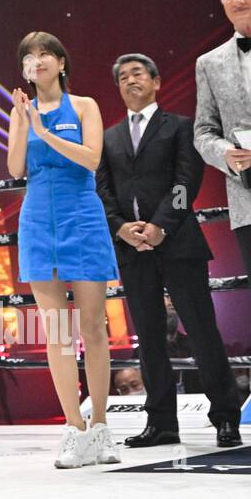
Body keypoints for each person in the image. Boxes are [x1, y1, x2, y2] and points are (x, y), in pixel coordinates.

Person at [96, 53, 242, 449]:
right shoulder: (108, 137)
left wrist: (161, 225)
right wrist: (122, 228)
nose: (130, 81)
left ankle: (225, 418)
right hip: (132, 248)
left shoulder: (180, 127)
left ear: (156, 81)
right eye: (122, 76)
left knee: (201, 330)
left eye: (137, 73)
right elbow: (103, 190)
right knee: (148, 337)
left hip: (178, 244)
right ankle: (161, 423)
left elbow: (185, 182)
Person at [8, 32, 119, 469]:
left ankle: (101, 426)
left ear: (60, 62)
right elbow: (16, 168)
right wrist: (23, 123)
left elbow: (91, 159)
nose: (37, 62)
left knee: (92, 326)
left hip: (82, 215)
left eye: (44, 54)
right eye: (28, 57)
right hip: (38, 217)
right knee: (56, 331)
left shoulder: (86, 106)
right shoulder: (21, 113)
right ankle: (73, 429)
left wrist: (43, 132)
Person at [194, 0, 251, 282]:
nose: (238, 0)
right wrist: (225, 153)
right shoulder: (209, 63)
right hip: (247, 200)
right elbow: (203, 130)